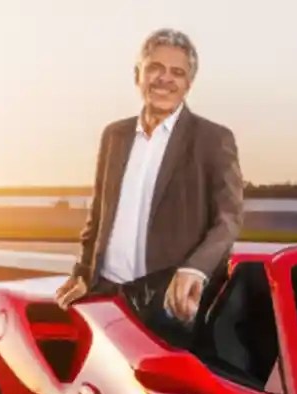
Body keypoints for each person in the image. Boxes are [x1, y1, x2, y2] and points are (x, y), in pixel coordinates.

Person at [54, 28, 243, 340]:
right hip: (106, 296)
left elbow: (229, 220)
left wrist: (194, 269)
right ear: (137, 74)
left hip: (165, 301)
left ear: (188, 84)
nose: (165, 79)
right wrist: (82, 273)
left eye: (177, 72)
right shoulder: (114, 135)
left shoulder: (213, 139)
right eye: (155, 67)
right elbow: (98, 217)